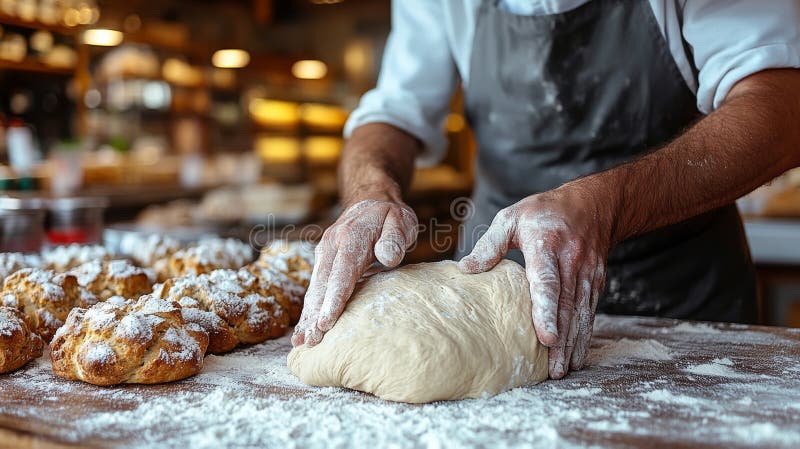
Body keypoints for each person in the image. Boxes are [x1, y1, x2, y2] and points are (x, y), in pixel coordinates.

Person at [291, 0, 800, 379]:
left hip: (683, 310)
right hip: (493, 301)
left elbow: (780, 104)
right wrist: (369, 190)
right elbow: (395, 112)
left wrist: (609, 203)